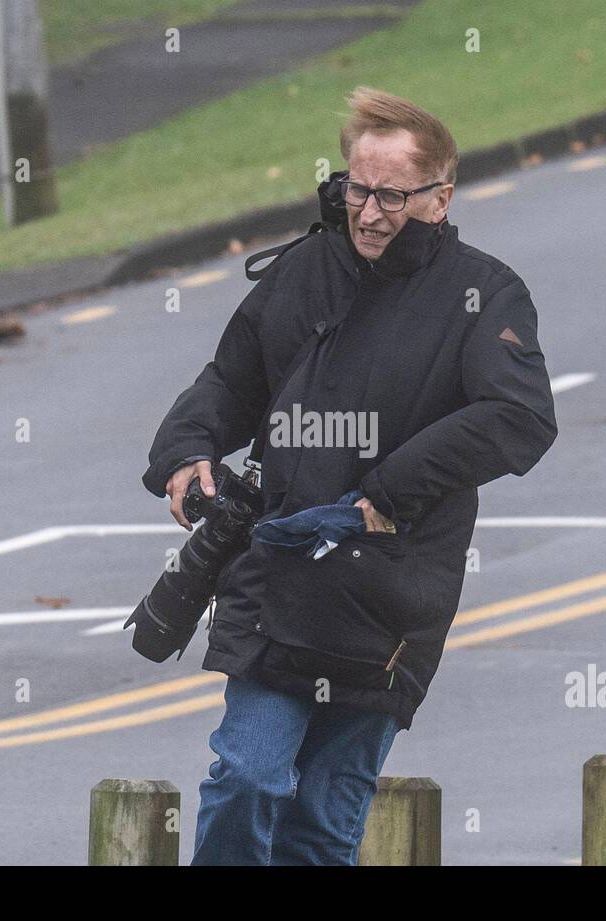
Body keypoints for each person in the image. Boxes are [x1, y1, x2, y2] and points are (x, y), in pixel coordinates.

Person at [140, 86, 558, 865]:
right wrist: (187, 450)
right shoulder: (303, 271)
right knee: (249, 778)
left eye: (392, 196)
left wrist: (378, 497)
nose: (368, 213)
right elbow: (231, 382)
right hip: (275, 578)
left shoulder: (485, 292)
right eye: (357, 189)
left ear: (440, 197)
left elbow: (520, 418)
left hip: (391, 595)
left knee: (322, 830)